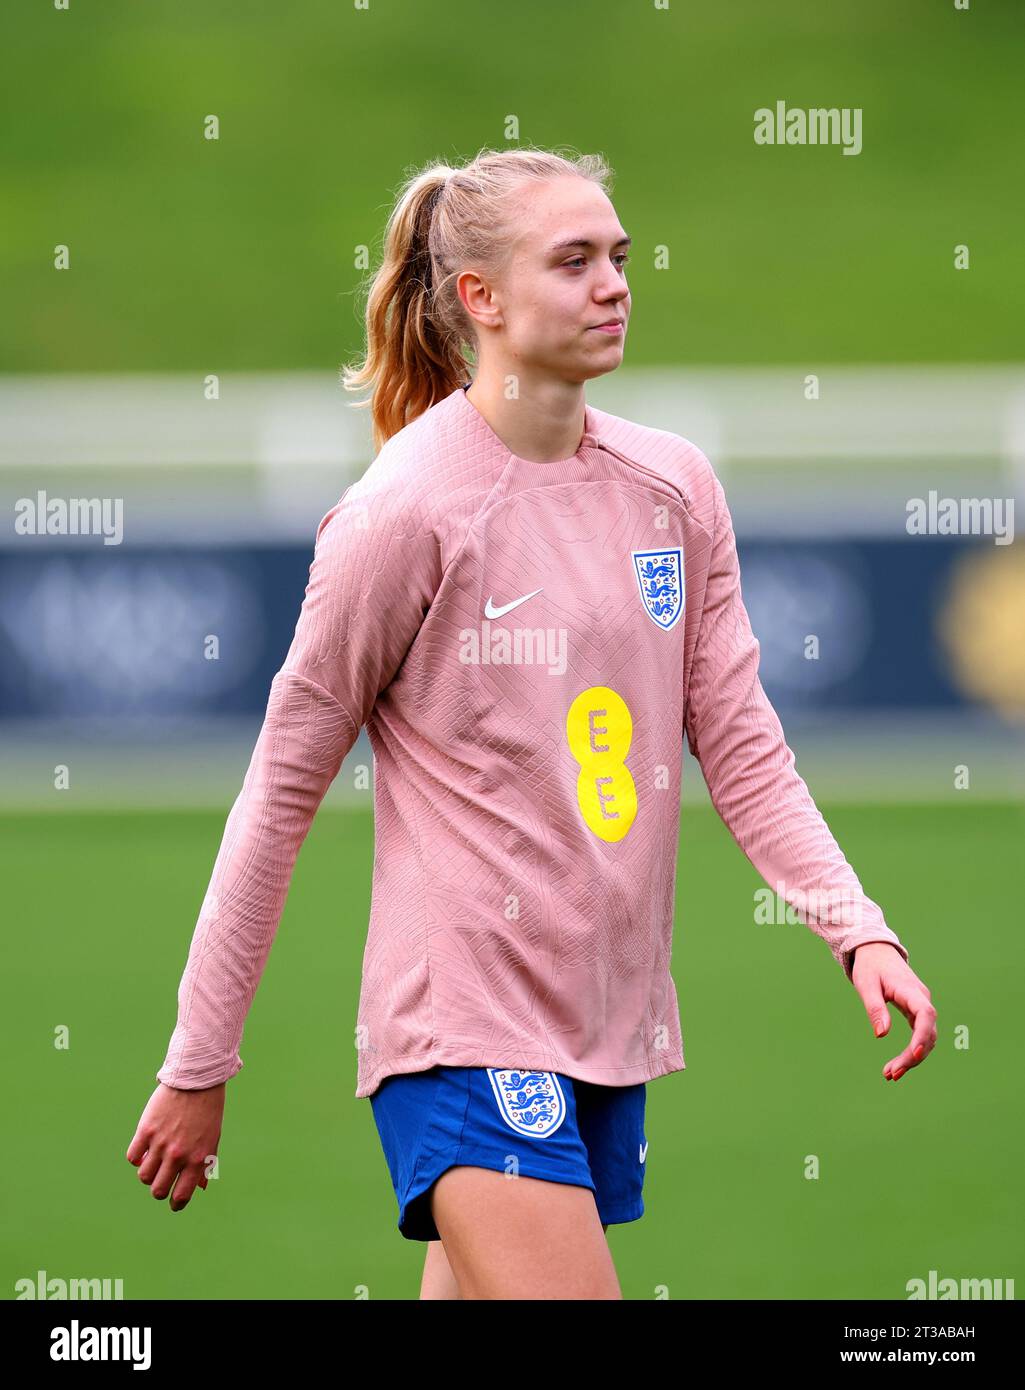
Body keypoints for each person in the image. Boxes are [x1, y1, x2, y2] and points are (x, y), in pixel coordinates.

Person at [125, 145, 936, 1300]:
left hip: (606, 1023)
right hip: (460, 1025)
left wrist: (856, 929)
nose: (613, 283)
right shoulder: (401, 513)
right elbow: (278, 796)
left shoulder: (673, 488)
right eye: (573, 261)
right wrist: (200, 1059)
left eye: (617, 256)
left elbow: (743, 748)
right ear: (480, 299)